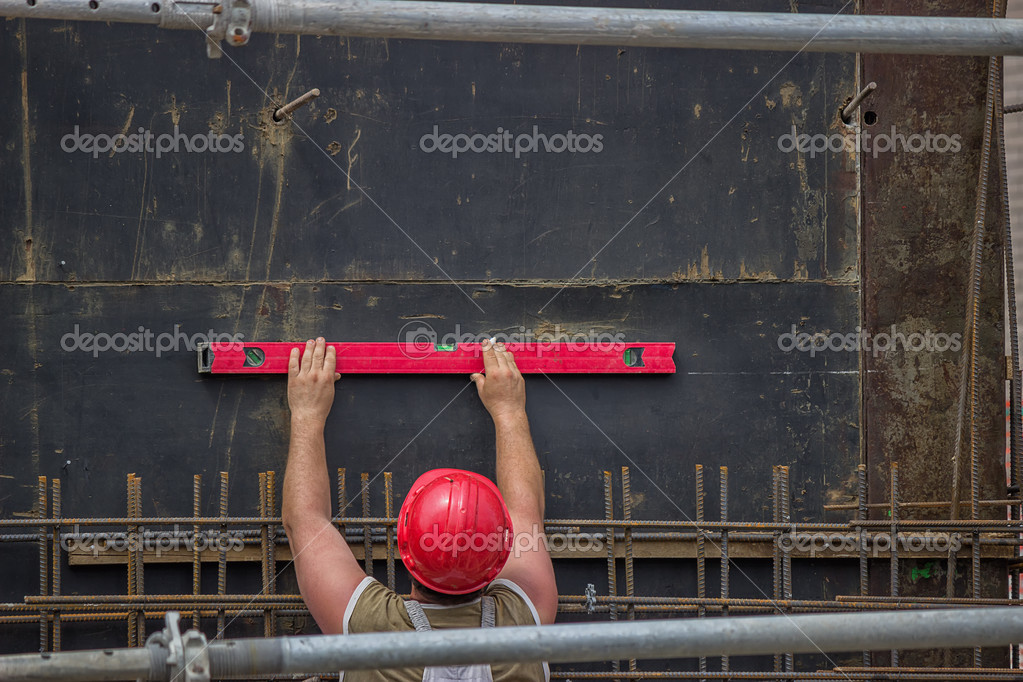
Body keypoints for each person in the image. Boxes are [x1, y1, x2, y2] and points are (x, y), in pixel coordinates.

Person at [282, 337, 558, 681]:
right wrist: (509, 411)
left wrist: (307, 413)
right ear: (501, 554)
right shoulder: (524, 622)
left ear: (403, 543)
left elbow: (303, 520)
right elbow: (525, 511)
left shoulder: (372, 628)